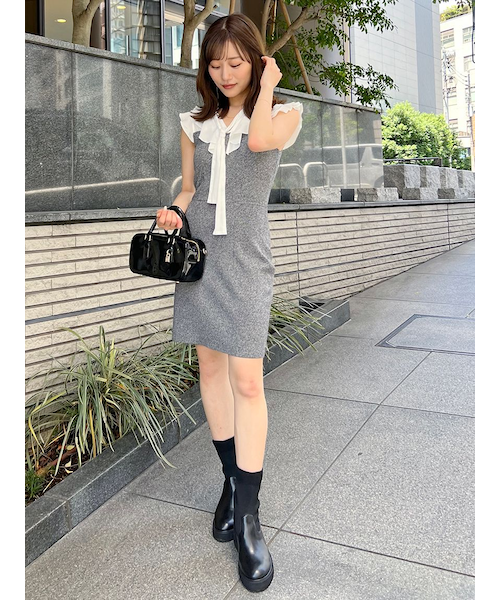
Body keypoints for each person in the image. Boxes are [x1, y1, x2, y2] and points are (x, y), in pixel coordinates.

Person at [156, 12, 303, 594]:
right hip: (201, 261)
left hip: (246, 262)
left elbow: (260, 141)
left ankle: (249, 518)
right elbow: (190, 188)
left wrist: (267, 87)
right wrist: (173, 211)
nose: (225, 73)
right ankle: (231, 483)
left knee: (247, 380)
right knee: (210, 370)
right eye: (215, 64)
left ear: (255, 60)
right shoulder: (193, 124)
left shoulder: (283, 114)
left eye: (236, 62)